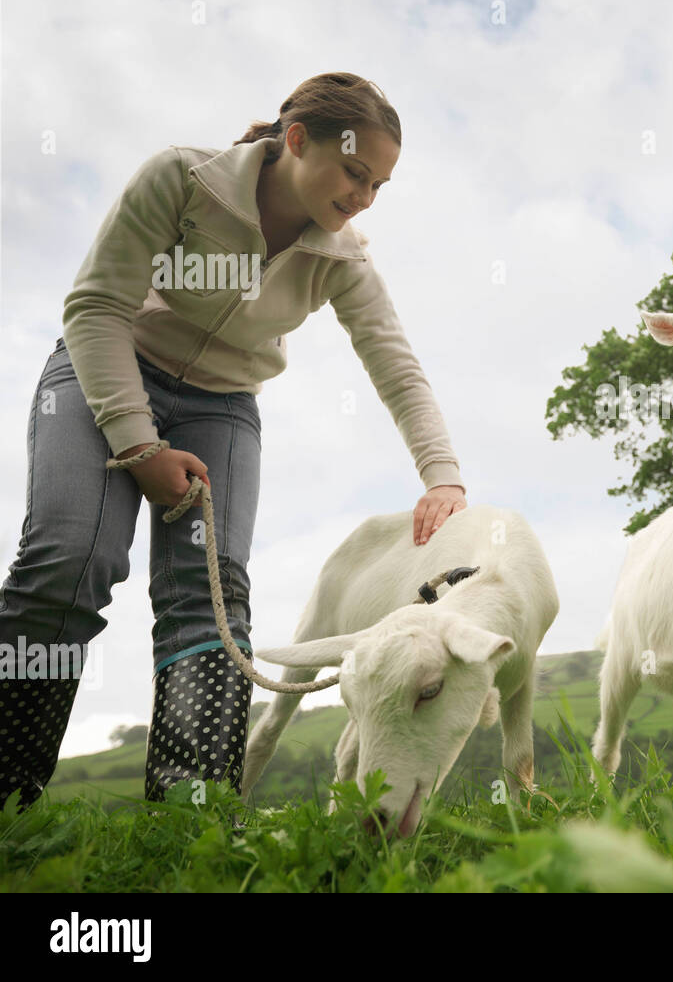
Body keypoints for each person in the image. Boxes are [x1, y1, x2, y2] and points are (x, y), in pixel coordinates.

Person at [0, 72, 467, 809]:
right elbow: (94, 307)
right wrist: (140, 446)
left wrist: (443, 474)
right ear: (296, 141)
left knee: (209, 593)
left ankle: (193, 811)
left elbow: (396, 366)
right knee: (70, 555)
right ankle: (4, 785)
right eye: (354, 171)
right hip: (106, 368)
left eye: (379, 183)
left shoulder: (343, 259)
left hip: (220, 408)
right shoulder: (180, 180)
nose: (364, 196)